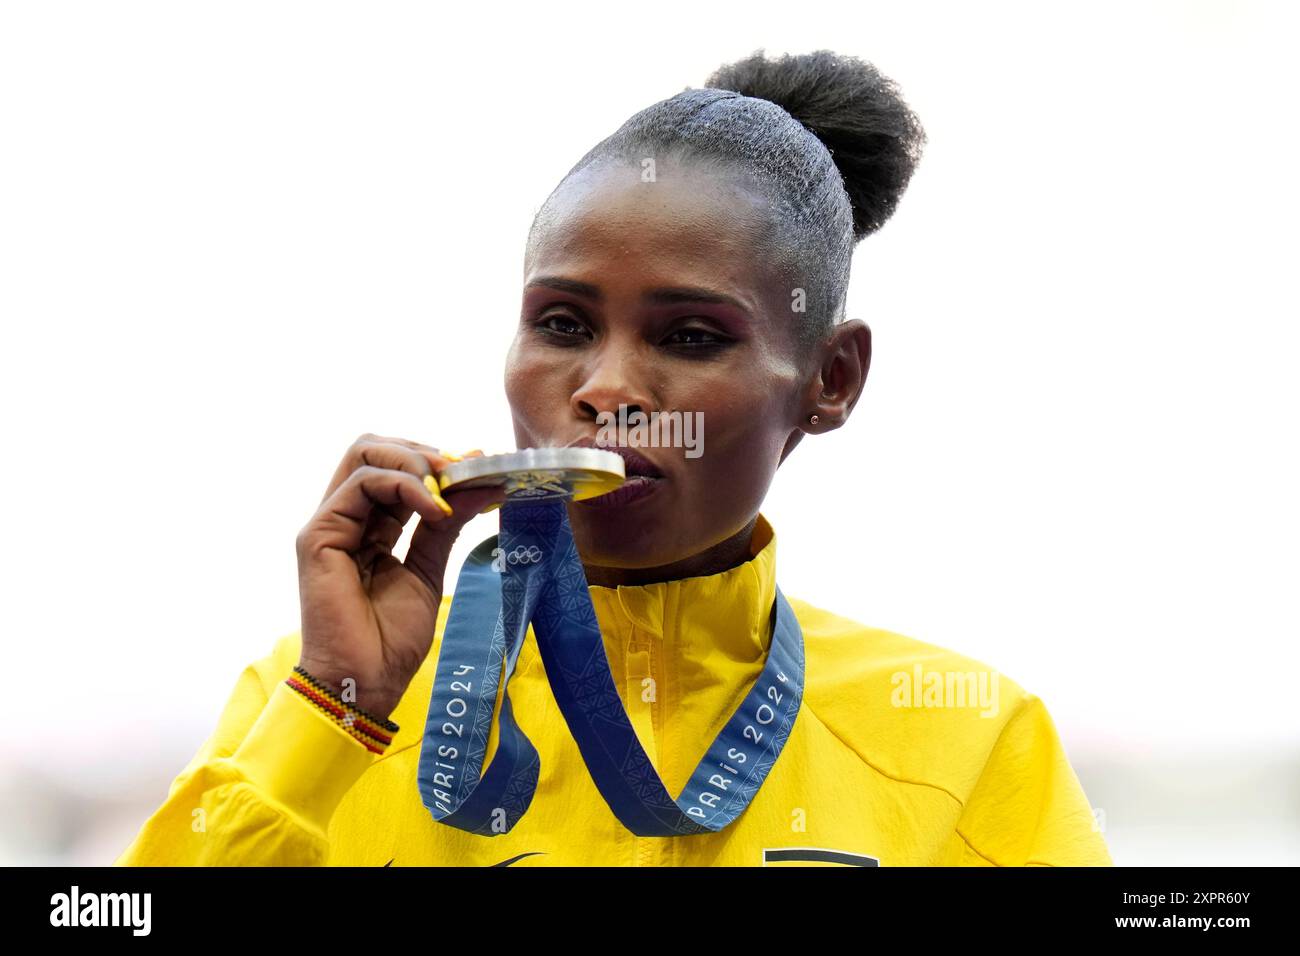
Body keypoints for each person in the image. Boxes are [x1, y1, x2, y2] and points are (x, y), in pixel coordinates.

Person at [115, 49, 1112, 867]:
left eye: (687, 335)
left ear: (830, 377)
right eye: (561, 321)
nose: (605, 388)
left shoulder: (970, 737)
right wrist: (338, 714)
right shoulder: (319, 694)